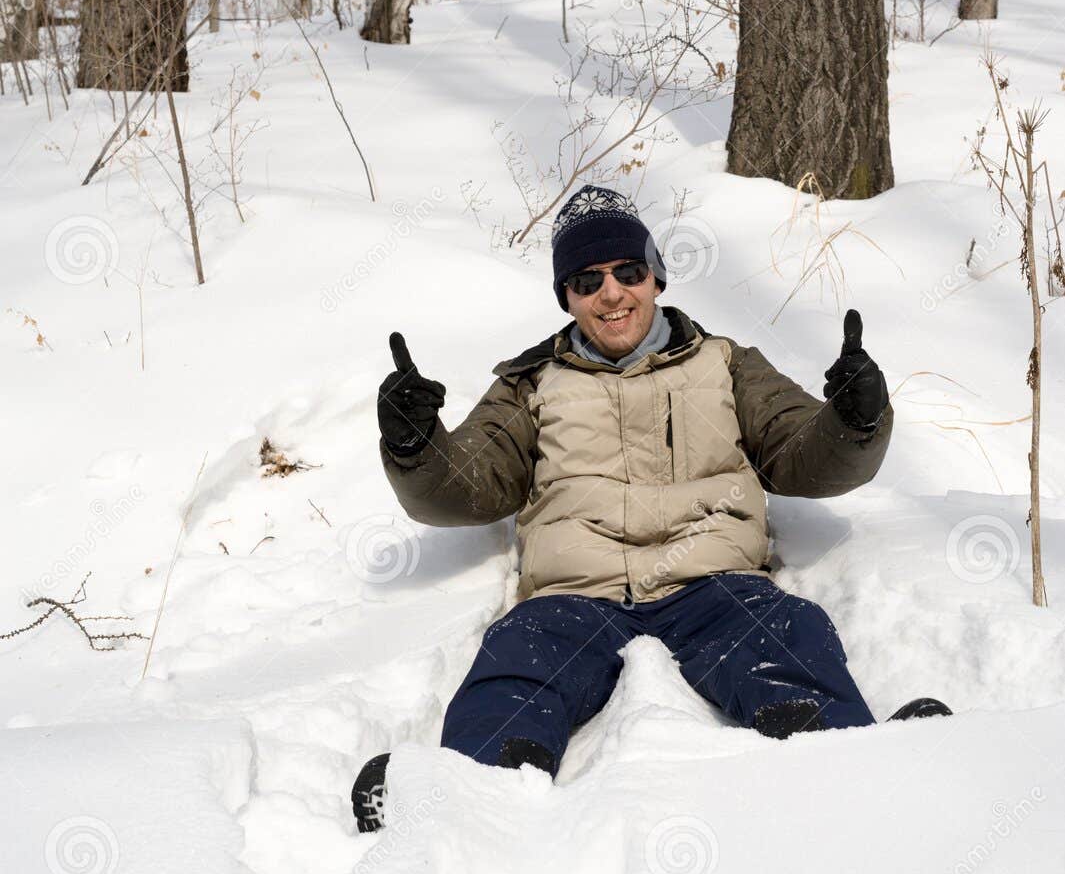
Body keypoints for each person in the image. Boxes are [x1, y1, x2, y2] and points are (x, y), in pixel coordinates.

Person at [351, 186, 948, 832]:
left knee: (783, 636)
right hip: (577, 594)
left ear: (655, 277)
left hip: (714, 585)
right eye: (586, 280)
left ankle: (848, 766)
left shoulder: (725, 364)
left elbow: (804, 457)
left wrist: (854, 420)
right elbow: (466, 490)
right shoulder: (528, 384)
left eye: (626, 272)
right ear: (567, 296)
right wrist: (414, 445)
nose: (611, 293)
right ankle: (466, 799)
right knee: (516, 661)